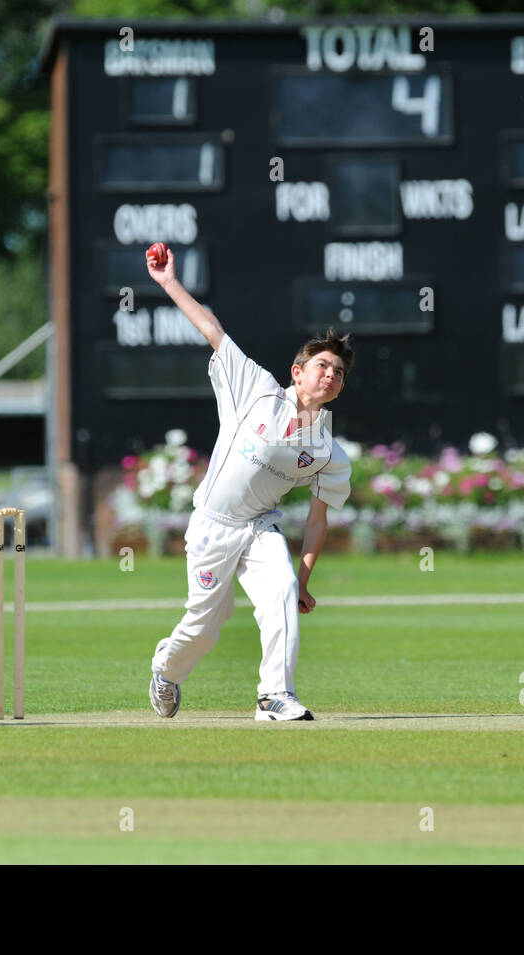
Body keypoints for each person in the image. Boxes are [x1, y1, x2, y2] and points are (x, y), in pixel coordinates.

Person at [143, 244, 354, 721]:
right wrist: (169, 282)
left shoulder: (329, 451)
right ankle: (166, 669)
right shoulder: (255, 388)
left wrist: (303, 580)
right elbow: (212, 330)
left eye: (339, 373)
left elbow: (317, 520)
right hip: (213, 525)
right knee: (205, 628)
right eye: (322, 366)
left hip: (260, 527)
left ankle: (273, 695)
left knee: (280, 589)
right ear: (297, 373)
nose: (330, 375)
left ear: (340, 388)